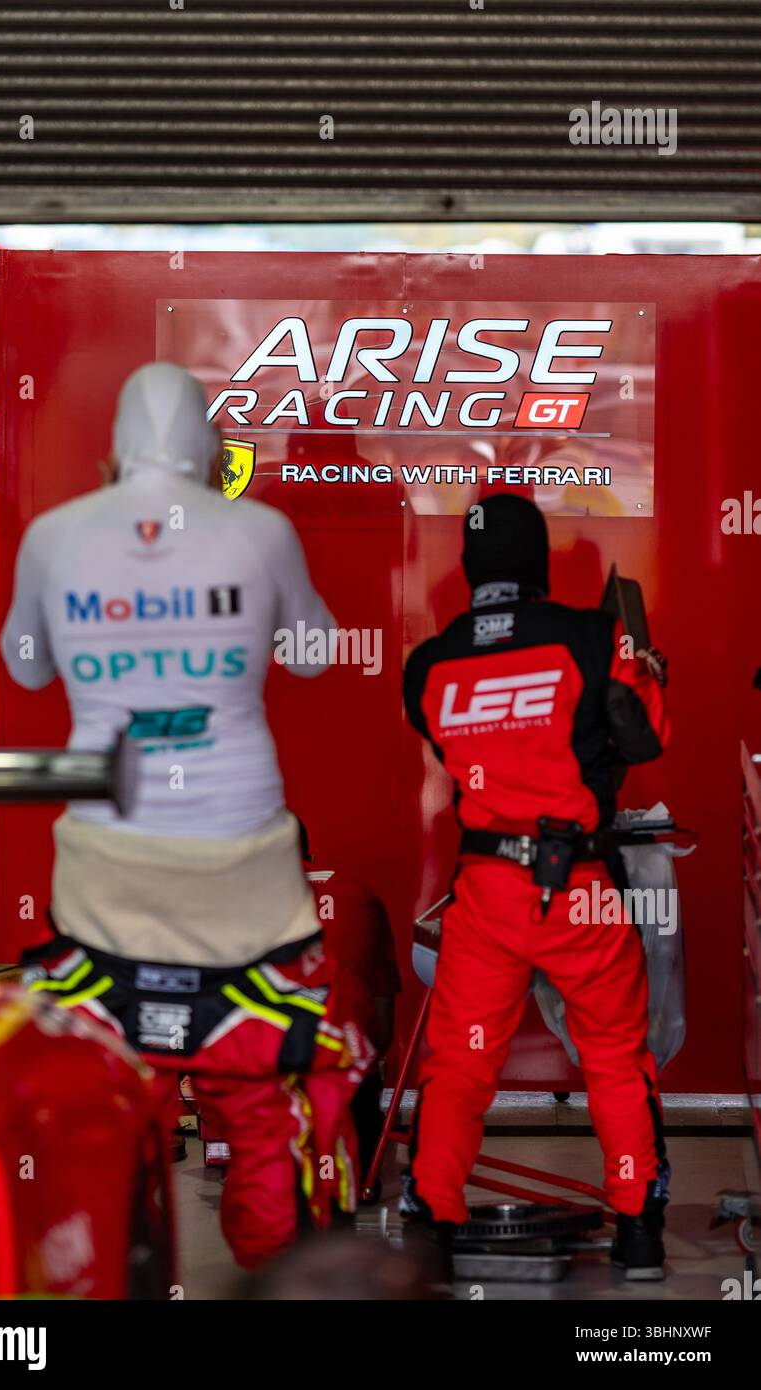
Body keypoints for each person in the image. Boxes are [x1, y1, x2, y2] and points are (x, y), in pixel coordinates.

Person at [1, 362, 372, 1271]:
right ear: (209, 451)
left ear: (112, 450)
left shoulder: (54, 535)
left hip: (106, 864)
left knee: (106, 1114)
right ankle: (277, 1286)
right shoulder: (261, 528)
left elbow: (25, 667)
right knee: (263, 1104)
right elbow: (318, 653)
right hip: (244, 866)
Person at [402, 494, 671, 1281]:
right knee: (616, 1061)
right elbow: (646, 734)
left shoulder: (431, 663)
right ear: (539, 563)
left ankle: (439, 1224)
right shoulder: (593, 637)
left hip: (487, 889)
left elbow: (448, 739)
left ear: (469, 566)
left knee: (458, 1064)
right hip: (578, 886)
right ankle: (638, 1234)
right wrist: (649, 669)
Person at [298, 818, 401, 1190]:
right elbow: (382, 1002)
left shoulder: (246, 896)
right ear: (308, 854)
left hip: (275, 1061)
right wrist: (371, 1064)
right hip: (350, 1051)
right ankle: (360, 1173)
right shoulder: (360, 892)